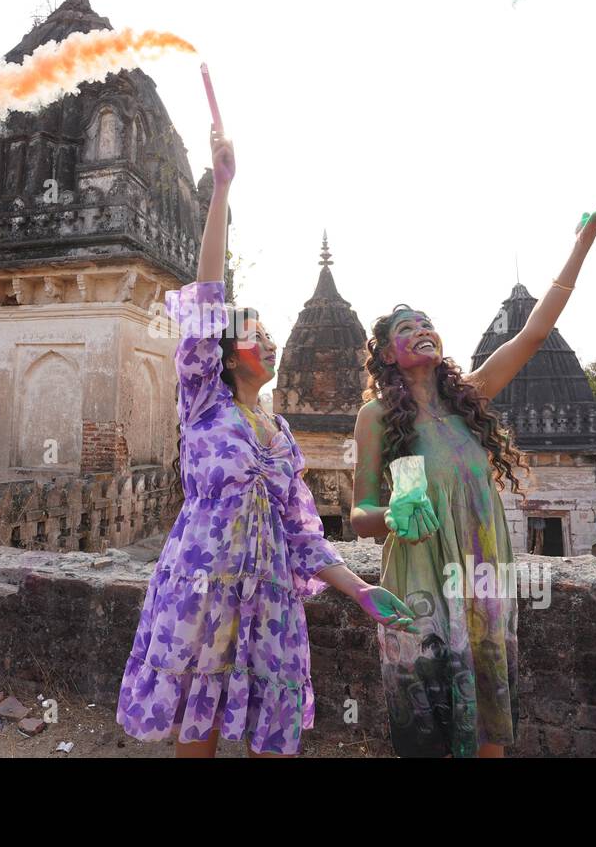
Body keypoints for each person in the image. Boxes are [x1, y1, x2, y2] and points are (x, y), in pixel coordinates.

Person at [116, 126, 417, 758]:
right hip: (202, 579)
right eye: (254, 335)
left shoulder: (280, 437)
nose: (270, 342)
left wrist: (360, 592)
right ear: (223, 354)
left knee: (265, 722)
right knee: (198, 720)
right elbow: (204, 298)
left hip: (271, 592)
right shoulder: (203, 402)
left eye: (273, 335)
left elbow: (302, 532)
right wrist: (221, 190)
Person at [349, 200, 596, 757]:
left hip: (484, 569)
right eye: (408, 329)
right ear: (389, 353)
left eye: (429, 324)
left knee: (488, 705)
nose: (424, 331)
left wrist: (584, 240)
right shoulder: (377, 419)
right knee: (429, 712)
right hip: (420, 572)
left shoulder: (472, 398)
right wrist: (391, 515)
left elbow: (534, 333)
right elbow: (360, 514)